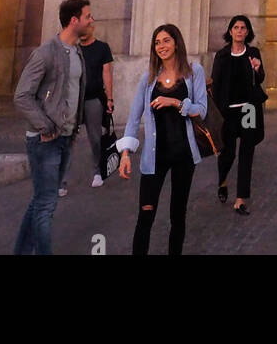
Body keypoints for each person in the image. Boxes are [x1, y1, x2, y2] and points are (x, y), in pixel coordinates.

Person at [117, 23, 206, 255]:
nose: (161, 46)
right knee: (145, 215)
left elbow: (202, 110)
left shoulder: (194, 71)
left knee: (178, 215)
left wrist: (176, 103)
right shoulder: (148, 79)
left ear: (176, 43)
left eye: (166, 40)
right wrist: (126, 153)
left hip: (184, 154)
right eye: (157, 42)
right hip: (154, 157)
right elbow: (134, 117)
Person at [13, 0, 90, 254]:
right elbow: (22, 95)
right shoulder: (46, 52)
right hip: (45, 139)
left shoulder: (78, 52)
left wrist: (74, 127)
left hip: (66, 137)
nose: (91, 21)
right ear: (74, 20)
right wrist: (45, 126)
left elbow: (73, 93)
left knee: (40, 202)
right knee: (46, 205)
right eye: (87, 17)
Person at [212, 14, 266, 216]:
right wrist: (216, 114)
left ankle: (241, 198)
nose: (240, 31)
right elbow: (216, 86)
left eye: (243, 28)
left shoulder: (253, 53)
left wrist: (258, 69)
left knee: (247, 153)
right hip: (228, 111)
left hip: (248, 109)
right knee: (228, 153)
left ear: (248, 32)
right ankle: (223, 180)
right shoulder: (222, 55)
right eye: (236, 27)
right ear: (230, 31)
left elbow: (259, 78)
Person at [62, 15, 114, 194]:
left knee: (95, 137)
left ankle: (98, 172)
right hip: (74, 100)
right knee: (68, 138)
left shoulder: (102, 48)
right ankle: (62, 180)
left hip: (93, 98)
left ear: (91, 28)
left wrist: (110, 98)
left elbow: (107, 73)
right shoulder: (73, 50)